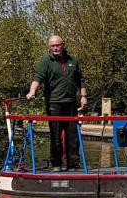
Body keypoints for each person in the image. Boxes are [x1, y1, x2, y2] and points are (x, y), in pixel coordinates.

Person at [26, 35, 87, 172]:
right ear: (49, 47)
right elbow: (38, 77)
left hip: (71, 102)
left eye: (57, 45)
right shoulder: (46, 61)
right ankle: (56, 164)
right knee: (55, 134)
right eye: (52, 46)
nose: (55, 48)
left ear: (62, 45)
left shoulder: (72, 60)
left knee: (72, 134)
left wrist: (83, 96)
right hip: (54, 102)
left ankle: (73, 164)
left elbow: (80, 79)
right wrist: (32, 91)